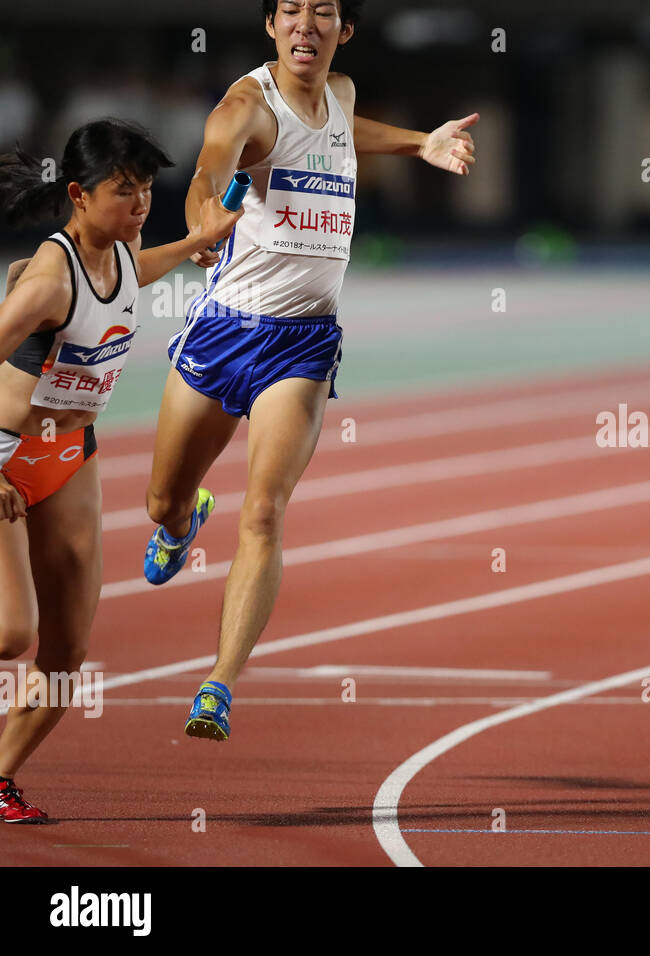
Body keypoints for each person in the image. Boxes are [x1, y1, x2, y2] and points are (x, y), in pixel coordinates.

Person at [139, 0, 478, 741]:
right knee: (159, 499)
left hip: (303, 345)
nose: (306, 24)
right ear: (270, 25)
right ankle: (180, 520)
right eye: (290, 10)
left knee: (264, 510)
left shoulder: (343, 94)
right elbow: (208, 173)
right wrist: (203, 222)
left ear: (343, 29)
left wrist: (421, 143)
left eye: (322, 12)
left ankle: (219, 683)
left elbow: (341, 131)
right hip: (224, 332)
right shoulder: (244, 106)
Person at [0, 120, 240, 822]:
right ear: (78, 194)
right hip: (7, 457)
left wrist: (197, 243)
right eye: (124, 191)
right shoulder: (47, 279)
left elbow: (135, 273)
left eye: (145, 191)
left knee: (67, 650)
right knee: (13, 634)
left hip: (71, 457)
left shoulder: (124, 246)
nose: (140, 204)